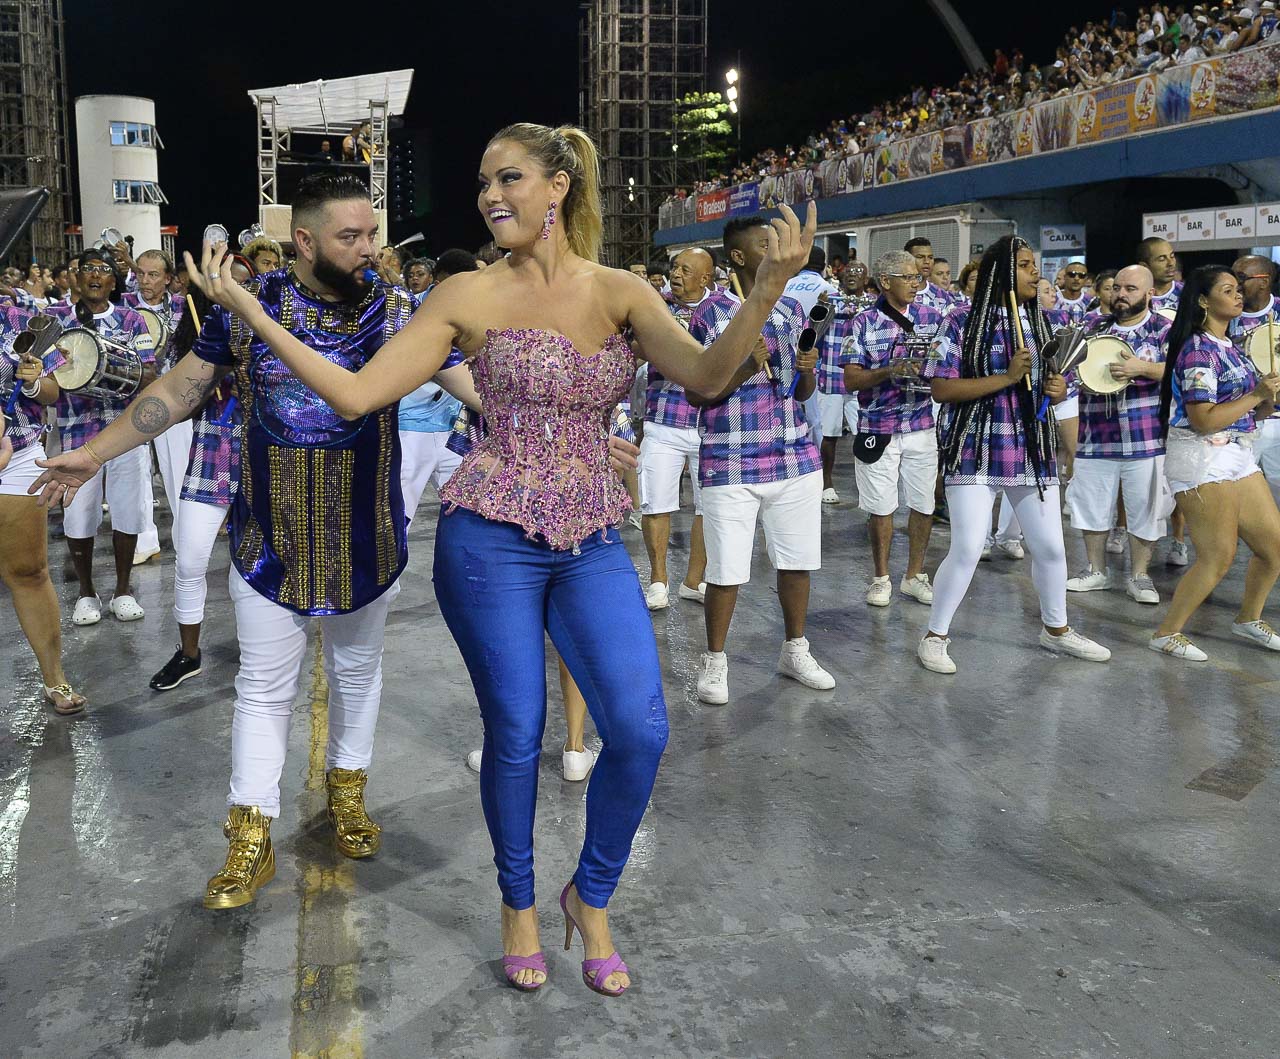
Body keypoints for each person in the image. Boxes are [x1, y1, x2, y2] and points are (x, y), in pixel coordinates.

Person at [98, 124, 815, 995]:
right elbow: (358, 392)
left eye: (507, 178)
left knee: (644, 728)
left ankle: (588, 897)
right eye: (482, 182)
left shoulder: (621, 290)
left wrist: (766, 292)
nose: (489, 196)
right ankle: (518, 905)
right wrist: (250, 316)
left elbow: (706, 378)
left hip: (588, 534)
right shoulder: (460, 296)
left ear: (559, 188)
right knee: (515, 734)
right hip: (489, 537)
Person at [32, 173, 482, 911]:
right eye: (351, 236)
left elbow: (474, 385)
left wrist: (567, 429)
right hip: (268, 538)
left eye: (371, 233)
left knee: (360, 673)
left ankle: (348, 793)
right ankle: (250, 833)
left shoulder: (402, 312)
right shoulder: (249, 310)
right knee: (262, 691)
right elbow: (179, 389)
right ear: (304, 242)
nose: (369, 248)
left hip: (366, 538)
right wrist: (95, 453)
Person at [917, 235, 1111, 674]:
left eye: (1035, 265)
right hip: (975, 447)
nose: (1035, 273)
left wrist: (1058, 389)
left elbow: (1061, 385)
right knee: (967, 547)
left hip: (1030, 447)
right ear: (1002, 272)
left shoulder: (1044, 322)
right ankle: (935, 635)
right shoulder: (961, 320)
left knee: (1051, 549)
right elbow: (941, 388)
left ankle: (1056, 630)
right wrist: (1006, 378)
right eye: (1025, 265)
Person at [688, 215, 835, 706]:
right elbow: (700, 394)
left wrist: (808, 371)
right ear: (738, 256)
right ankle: (715, 661)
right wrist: (745, 362)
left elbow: (799, 390)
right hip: (730, 461)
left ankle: (795, 649)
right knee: (726, 570)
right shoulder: (711, 314)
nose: (777, 249)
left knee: (797, 562)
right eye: (765, 244)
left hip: (795, 457)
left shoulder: (794, 308)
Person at [1151, 265, 1280, 661]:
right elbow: (1204, 418)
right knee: (1218, 556)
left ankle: (1248, 618)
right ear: (1204, 300)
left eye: (1239, 289)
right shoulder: (1198, 351)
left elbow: (1245, 413)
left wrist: (1267, 399)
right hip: (1202, 458)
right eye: (1228, 290)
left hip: (1237, 453)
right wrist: (1257, 392)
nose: (1239, 295)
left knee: (1274, 548)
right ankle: (1167, 632)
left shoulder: (1232, 346)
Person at [46, 248, 156, 625]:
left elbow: (149, 372)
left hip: (125, 432)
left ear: (114, 280)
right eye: (87, 269)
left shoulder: (131, 320)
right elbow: (48, 376)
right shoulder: (56, 320)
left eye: (103, 270)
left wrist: (112, 368)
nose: (95, 276)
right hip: (77, 431)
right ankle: (86, 592)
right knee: (78, 515)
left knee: (127, 512)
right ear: (77, 278)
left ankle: (123, 590)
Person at [148, 286, 240, 691]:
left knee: (254, 569)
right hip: (211, 460)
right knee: (189, 562)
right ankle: (189, 654)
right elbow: (171, 392)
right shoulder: (189, 342)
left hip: (263, 463)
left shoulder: (274, 332)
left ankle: (260, 651)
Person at [1064, 265, 1173, 604]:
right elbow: (1070, 369)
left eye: (1131, 289)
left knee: (1146, 508)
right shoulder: (1094, 327)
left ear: (1149, 294)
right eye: (1117, 288)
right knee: (1090, 506)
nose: (1121, 295)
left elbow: (1180, 369)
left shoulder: (1164, 329)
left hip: (1147, 437)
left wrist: (1141, 368)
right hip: (1096, 435)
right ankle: (1097, 571)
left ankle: (1140, 576)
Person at [841, 249, 942, 607]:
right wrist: (889, 370)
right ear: (886, 282)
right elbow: (852, 379)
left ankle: (915, 575)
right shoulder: (862, 323)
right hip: (877, 426)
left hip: (920, 424)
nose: (917, 283)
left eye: (918, 277)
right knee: (880, 507)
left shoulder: (933, 317)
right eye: (909, 277)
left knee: (923, 503)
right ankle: (880, 577)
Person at [0, 304, 85, 714]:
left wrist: (34, 384)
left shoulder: (17, 319)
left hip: (16, 456)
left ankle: (55, 678)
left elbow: (53, 389)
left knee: (29, 572)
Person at [640, 246, 711, 609]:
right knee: (656, 501)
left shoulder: (726, 308)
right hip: (663, 419)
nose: (677, 274)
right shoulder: (654, 306)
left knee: (708, 505)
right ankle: (658, 581)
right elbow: (635, 346)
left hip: (710, 422)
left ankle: (694, 580)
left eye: (686, 269)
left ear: (706, 278)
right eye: (674, 267)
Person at [124, 249, 188, 565]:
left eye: (153, 275)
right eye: (141, 274)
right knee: (137, 471)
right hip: (131, 397)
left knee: (177, 469)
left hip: (173, 397)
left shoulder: (183, 307)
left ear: (167, 278)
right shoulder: (122, 306)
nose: (145, 281)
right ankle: (144, 540)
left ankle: (184, 537)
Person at [816, 261, 871, 502]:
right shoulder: (831, 300)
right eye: (847, 273)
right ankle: (826, 484)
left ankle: (869, 487)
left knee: (867, 435)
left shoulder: (873, 304)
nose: (852, 276)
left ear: (866, 279)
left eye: (857, 273)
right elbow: (814, 333)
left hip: (863, 379)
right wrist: (821, 308)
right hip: (832, 377)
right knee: (829, 434)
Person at [1228, 254, 1280, 482]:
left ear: (1263, 281)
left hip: (1278, 419)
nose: (1234, 285)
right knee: (1238, 487)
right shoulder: (1226, 316)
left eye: (1241, 278)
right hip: (1242, 419)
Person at [905, 237, 956, 314]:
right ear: (906, 260)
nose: (927, 261)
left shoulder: (942, 296)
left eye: (930, 257)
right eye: (920, 257)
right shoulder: (896, 294)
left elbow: (952, 324)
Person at [1139, 237, 1182, 314]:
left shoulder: (1188, 293)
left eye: (1172, 256)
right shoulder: (1135, 298)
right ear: (1144, 266)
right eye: (1162, 259)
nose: (1171, 263)